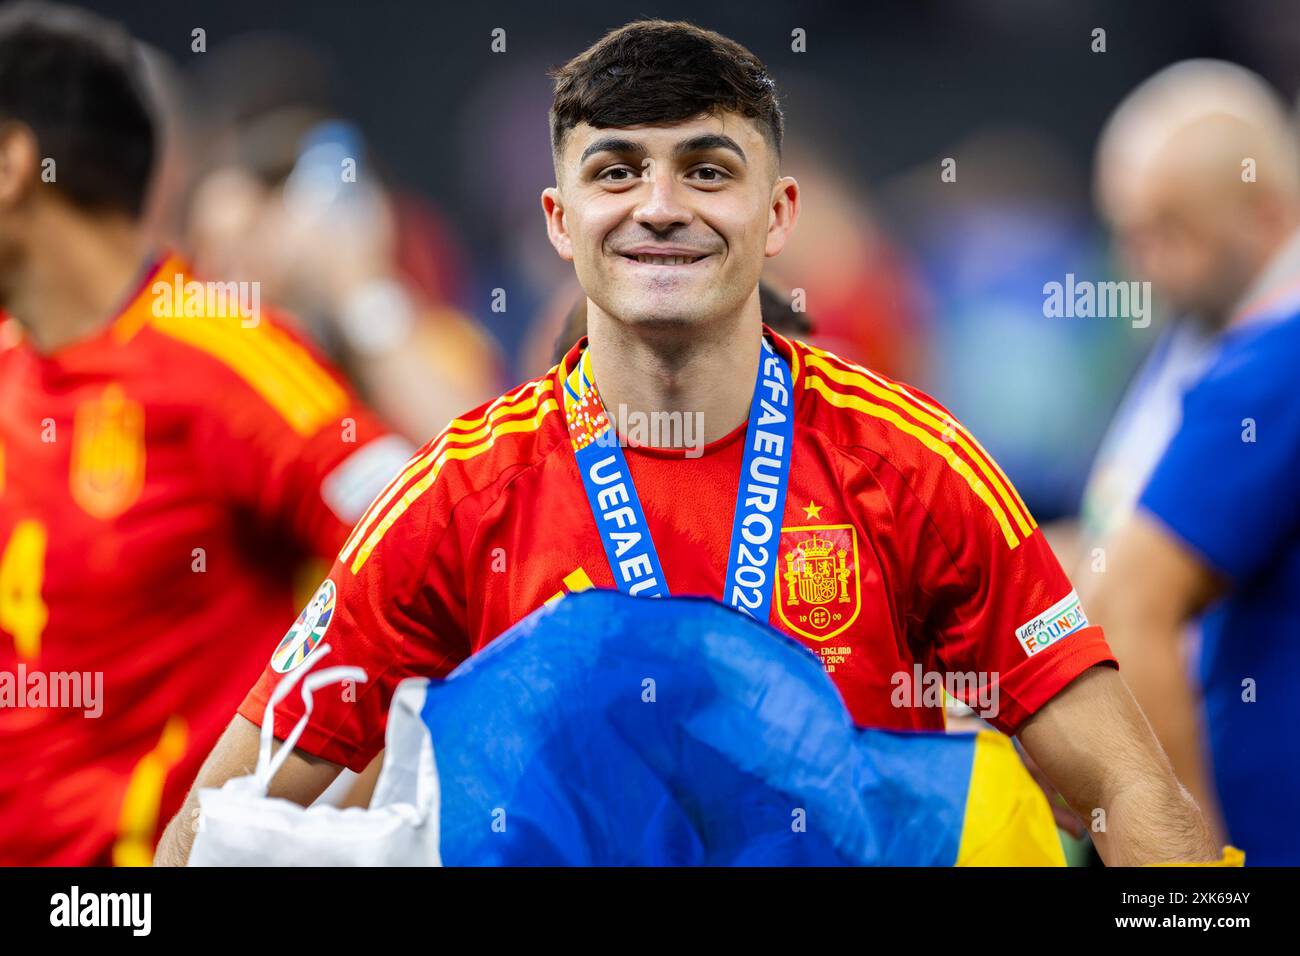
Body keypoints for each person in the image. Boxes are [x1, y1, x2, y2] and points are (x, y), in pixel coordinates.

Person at [158, 19, 1218, 866]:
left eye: (706, 170)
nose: (659, 207)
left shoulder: (915, 466)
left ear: (780, 211)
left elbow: (1128, 790)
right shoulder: (457, 497)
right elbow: (209, 826)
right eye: (615, 171)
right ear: (558, 220)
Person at [0, 2, 410, 864]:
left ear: (11, 163)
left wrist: (293, 836)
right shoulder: (11, 366)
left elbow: (429, 557)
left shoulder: (226, 361)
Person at [1078, 61, 1300, 864]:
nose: (1142, 266)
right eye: (1129, 231)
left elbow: (1129, 604)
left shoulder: (1273, 361)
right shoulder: (1212, 342)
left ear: (1264, 211)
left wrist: (1192, 880)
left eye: (1169, 231)